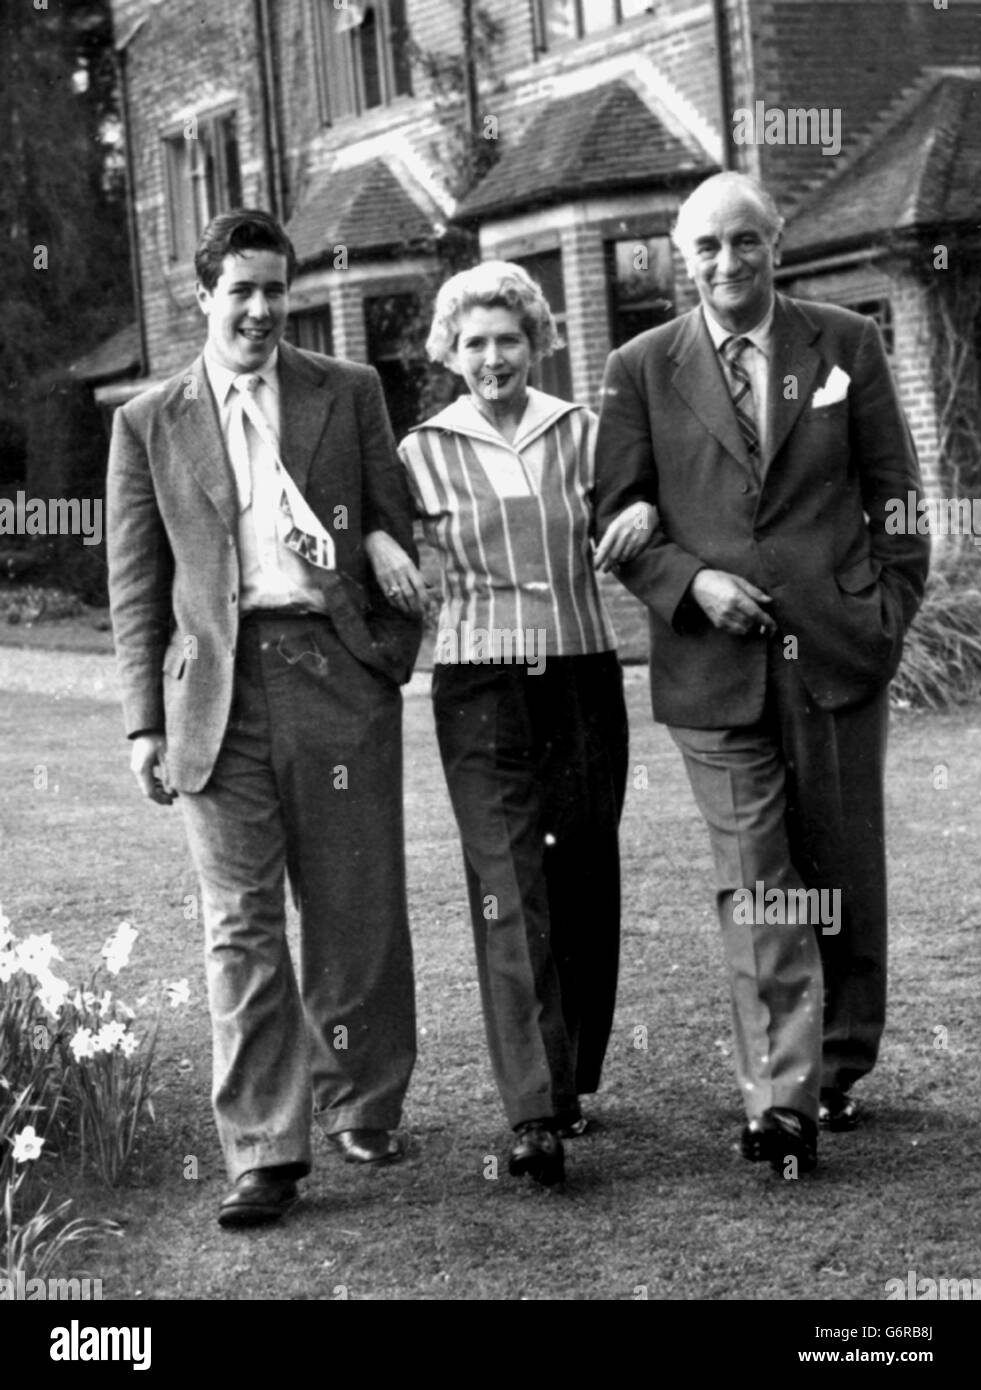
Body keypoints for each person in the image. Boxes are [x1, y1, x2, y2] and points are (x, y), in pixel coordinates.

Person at [594, 172, 930, 1176]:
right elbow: (612, 524)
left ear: (774, 243)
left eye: (744, 242)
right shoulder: (638, 368)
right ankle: (778, 1100)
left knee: (836, 872)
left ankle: (837, 1062)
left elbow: (897, 501)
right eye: (704, 246)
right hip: (712, 671)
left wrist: (882, 616)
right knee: (756, 880)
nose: (726, 263)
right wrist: (690, 583)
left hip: (833, 653)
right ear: (676, 255)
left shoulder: (844, 345)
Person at [106, 208, 422, 1228]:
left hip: (335, 675)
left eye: (273, 289)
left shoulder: (348, 390)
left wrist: (380, 554)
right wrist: (142, 723)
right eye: (238, 288)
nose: (257, 308)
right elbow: (135, 587)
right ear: (202, 296)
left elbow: (392, 514)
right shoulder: (148, 422)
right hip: (216, 695)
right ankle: (261, 1147)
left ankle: (361, 1101)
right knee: (238, 923)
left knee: (352, 905)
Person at [369, 261, 651, 1185]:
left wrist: (642, 510)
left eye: (509, 340)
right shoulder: (419, 451)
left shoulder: (584, 432)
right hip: (477, 684)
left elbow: (642, 503)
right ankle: (531, 1112)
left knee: (580, 874)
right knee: (506, 881)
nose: (493, 358)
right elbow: (368, 524)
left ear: (537, 344)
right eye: (475, 343)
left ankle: (569, 1079)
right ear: (450, 352)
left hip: (579, 674)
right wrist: (379, 538)